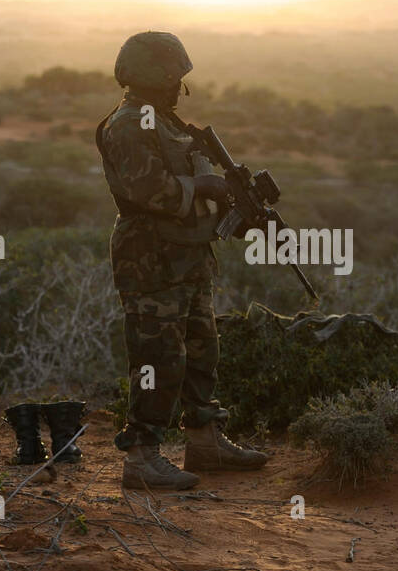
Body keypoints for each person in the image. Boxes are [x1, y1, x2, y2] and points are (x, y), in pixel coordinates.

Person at [94, 31, 268, 489]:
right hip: (149, 259)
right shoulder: (129, 125)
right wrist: (203, 189)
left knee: (202, 349)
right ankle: (142, 456)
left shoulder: (166, 123)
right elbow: (149, 191)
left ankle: (205, 440)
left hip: (187, 255)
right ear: (154, 77)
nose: (180, 86)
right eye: (174, 76)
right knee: (157, 357)